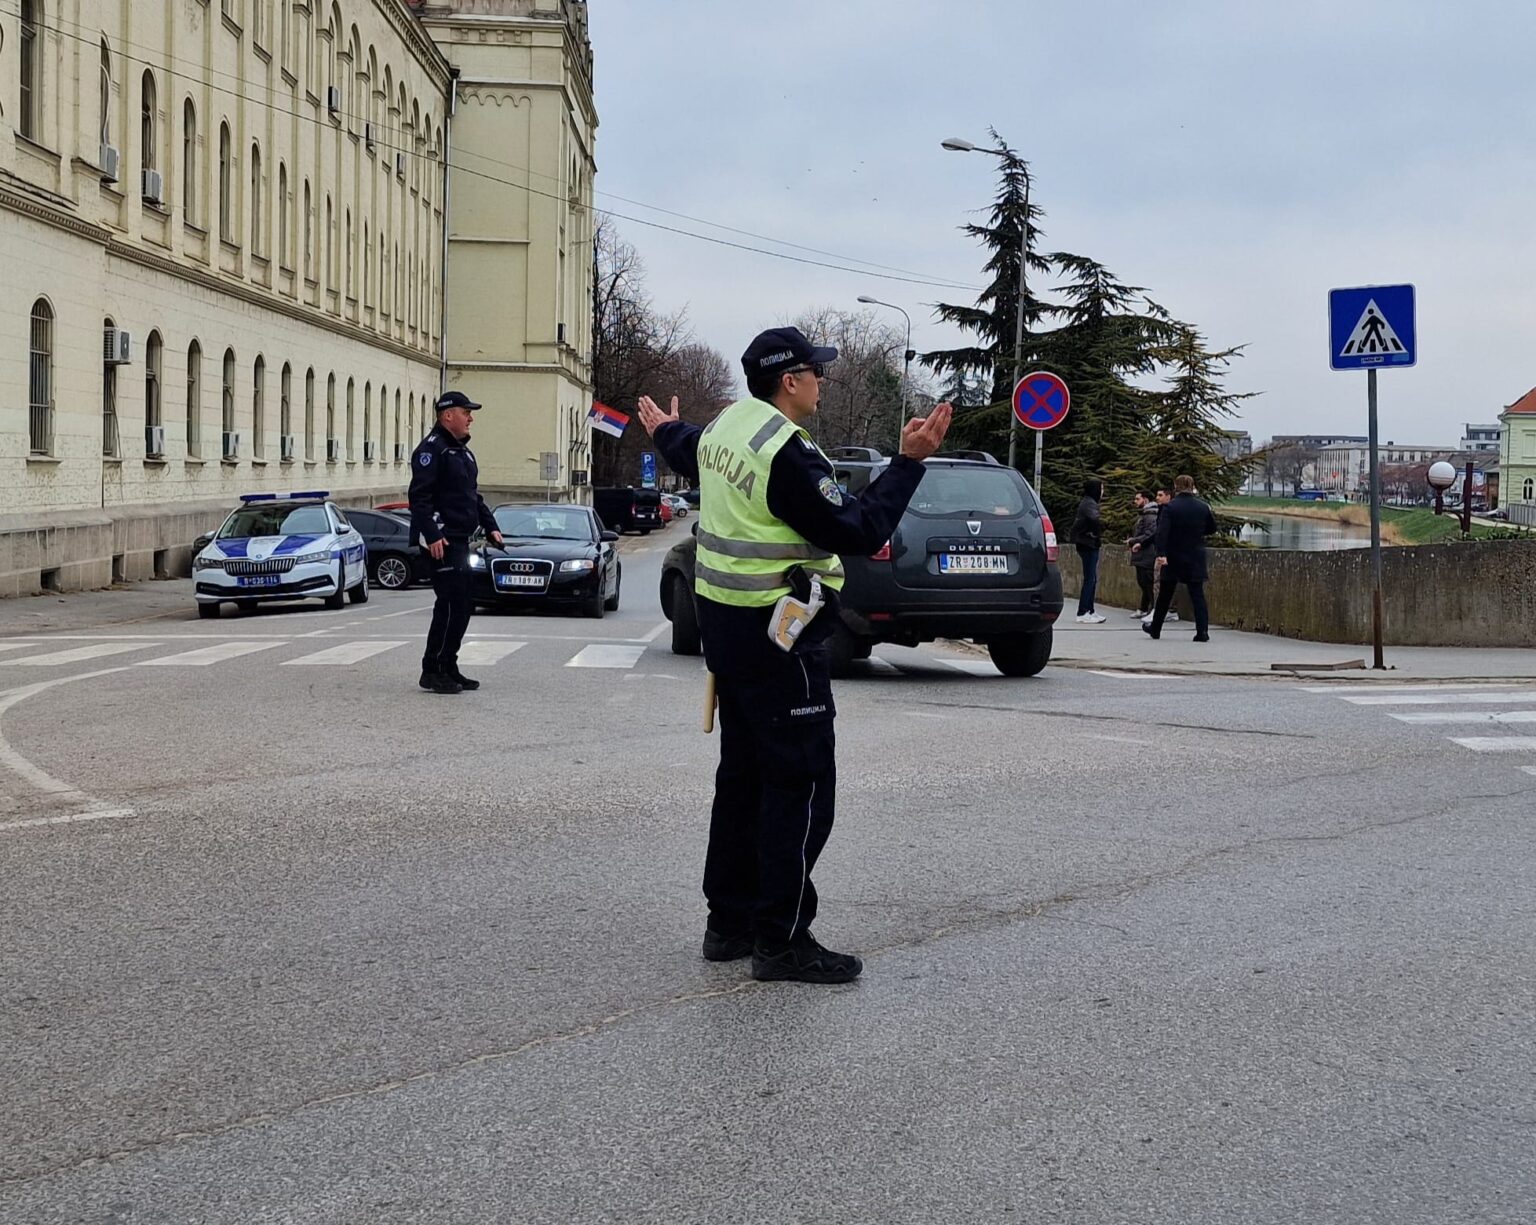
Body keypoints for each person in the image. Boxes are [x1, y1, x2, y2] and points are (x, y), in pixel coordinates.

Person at [637, 326, 952, 985]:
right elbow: (859, 529)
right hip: (782, 643)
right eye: (817, 371)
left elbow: (689, 446)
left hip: (730, 638)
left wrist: (665, 429)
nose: (823, 380)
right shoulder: (788, 454)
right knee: (801, 787)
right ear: (789, 381)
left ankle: (728, 923)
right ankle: (780, 938)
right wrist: (910, 461)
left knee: (742, 779)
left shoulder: (729, 426)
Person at [408, 390, 504, 695]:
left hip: (461, 539)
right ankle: (432, 669)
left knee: (463, 606)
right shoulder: (432, 450)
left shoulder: (462, 452)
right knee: (449, 605)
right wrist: (433, 534)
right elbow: (419, 498)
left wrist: (491, 527)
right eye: (466, 412)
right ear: (447, 415)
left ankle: (449, 664)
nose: (470, 418)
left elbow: (472, 496)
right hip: (442, 541)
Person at [1143, 474, 1216, 642]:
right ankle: (1202, 631)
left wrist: (1161, 554)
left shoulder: (1170, 508)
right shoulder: (1203, 507)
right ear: (1192, 486)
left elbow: (1162, 533)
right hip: (1195, 554)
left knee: (1165, 594)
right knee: (1197, 594)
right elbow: (1212, 528)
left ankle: (1156, 628)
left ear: (1176, 487)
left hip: (1174, 554)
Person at [1070, 478, 1105, 623]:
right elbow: (1094, 520)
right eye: (1101, 488)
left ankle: (1090, 610)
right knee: (1089, 578)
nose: (1103, 492)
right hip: (1087, 543)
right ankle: (1083, 611)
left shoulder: (1089, 502)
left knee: (1092, 578)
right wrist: (1097, 533)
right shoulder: (1089, 503)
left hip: (1088, 542)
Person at [1142, 487, 1178, 625]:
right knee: (1158, 581)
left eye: (1160, 495)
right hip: (1163, 551)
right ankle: (1163, 610)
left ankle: (1164, 610)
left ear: (1168, 496)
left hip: (1165, 553)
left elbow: (1161, 533)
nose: (1157, 498)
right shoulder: (1163, 510)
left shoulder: (1168, 511)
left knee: (1160, 582)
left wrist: (1162, 552)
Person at [1125, 490, 1160, 618]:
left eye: (1137, 499)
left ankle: (1152, 609)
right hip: (1143, 554)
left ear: (1145, 500)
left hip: (1147, 554)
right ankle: (1144, 608)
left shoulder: (1150, 516)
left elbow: (1151, 533)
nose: (1135, 502)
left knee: (1147, 582)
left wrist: (1135, 541)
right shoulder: (1146, 514)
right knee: (1144, 582)